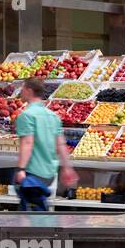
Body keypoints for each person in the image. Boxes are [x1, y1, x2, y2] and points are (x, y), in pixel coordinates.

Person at [14, 77, 77, 211]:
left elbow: (27, 143)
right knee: (36, 207)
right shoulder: (52, 116)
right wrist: (67, 168)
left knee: (30, 211)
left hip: (32, 171)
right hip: (49, 173)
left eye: (23, 89)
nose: (21, 92)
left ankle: (36, 229)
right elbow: (60, 144)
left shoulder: (26, 115)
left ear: (29, 91)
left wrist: (20, 169)